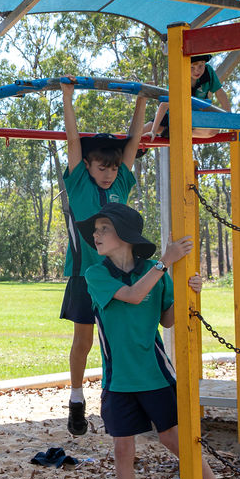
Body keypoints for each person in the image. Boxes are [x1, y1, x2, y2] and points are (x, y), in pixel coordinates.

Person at [76, 203, 240, 479]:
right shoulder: (96, 273)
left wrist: (189, 291)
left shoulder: (157, 275)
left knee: (174, 439)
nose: (96, 235)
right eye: (96, 229)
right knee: (123, 450)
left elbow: (168, 319)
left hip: (155, 376)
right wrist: (164, 263)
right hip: (118, 380)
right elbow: (134, 295)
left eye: (103, 228)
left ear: (123, 235)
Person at [59, 78, 147, 436]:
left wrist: (142, 101)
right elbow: (73, 141)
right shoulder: (79, 183)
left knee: (122, 337)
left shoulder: (122, 184)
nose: (108, 174)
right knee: (84, 339)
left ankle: (123, 396)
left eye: (112, 169)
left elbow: (133, 143)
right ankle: (77, 400)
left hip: (116, 274)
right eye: (101, 168)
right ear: (88, 167)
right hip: (84, 275)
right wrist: (68, 98)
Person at [145, 54, 232, 138]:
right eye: (192, 67)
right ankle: (169, 132)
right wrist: (153, 131)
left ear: (205, 64)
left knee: (213, 131)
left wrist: (228, 115)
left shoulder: (208, 72)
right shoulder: (179, 79)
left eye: (201, 66)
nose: (197, 71)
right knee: (145, 131)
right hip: (173, 113)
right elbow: (164, 105)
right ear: (184, 66)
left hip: (194, 116)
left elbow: (219, 92)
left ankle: (179, 133)